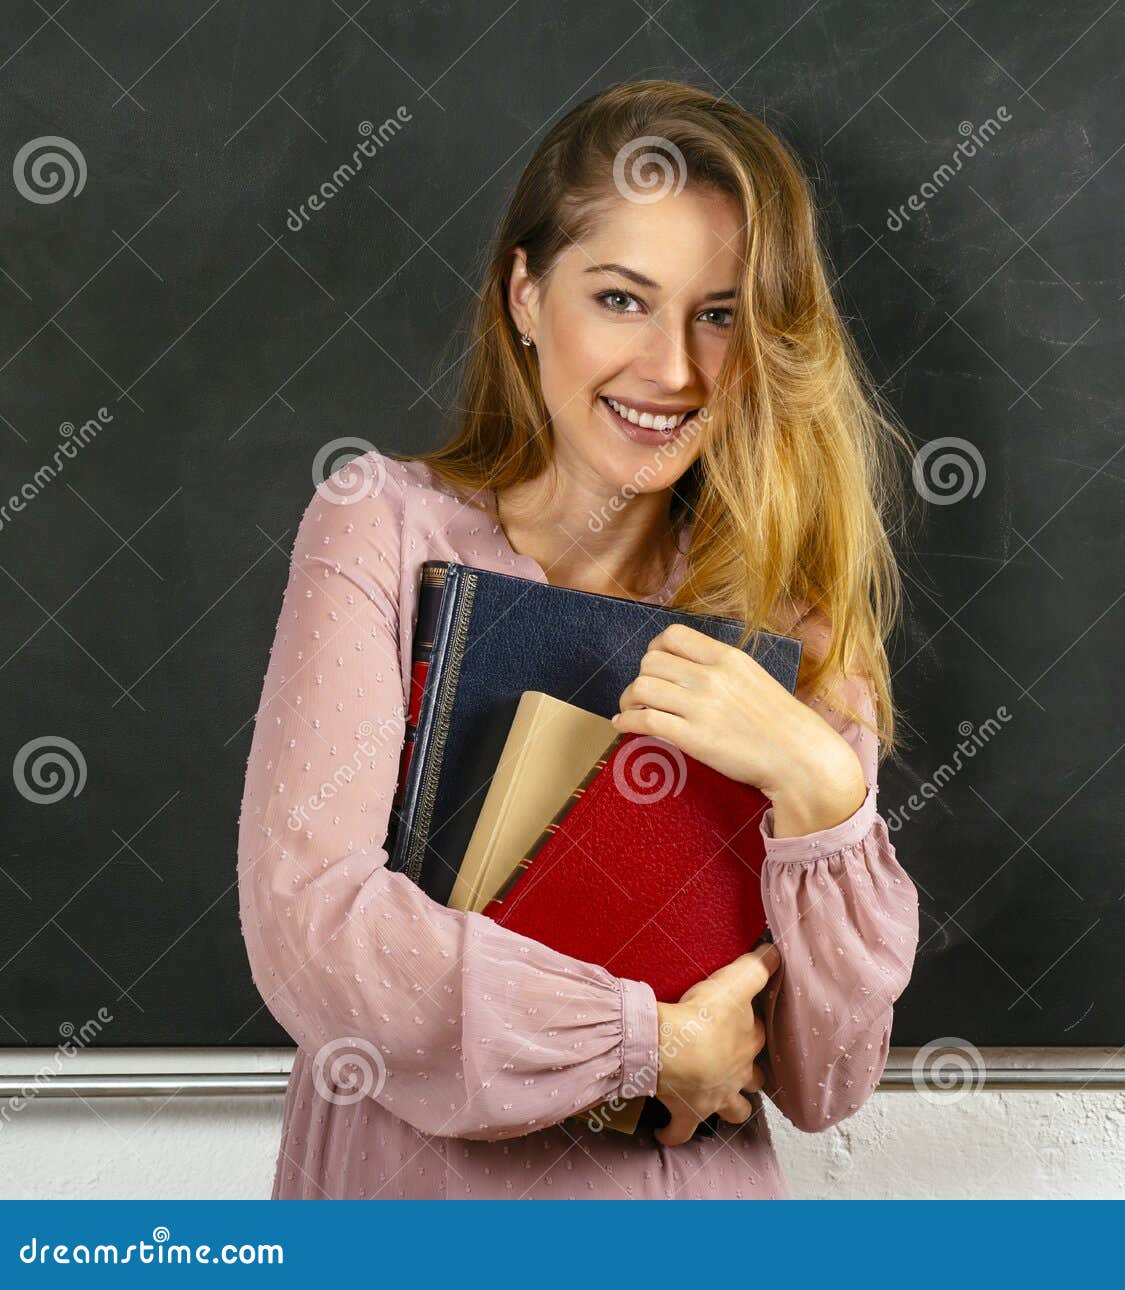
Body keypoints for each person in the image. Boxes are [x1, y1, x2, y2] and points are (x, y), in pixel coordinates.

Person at [236, 78, 919, 1199]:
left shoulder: (792, 622)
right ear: (525, 294)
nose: (673, 369)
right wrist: (648, 1044)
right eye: (619, 299)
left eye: (719, 315)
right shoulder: (382, 527)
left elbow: (824, 1081)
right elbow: (314, 930)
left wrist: (820, 790)